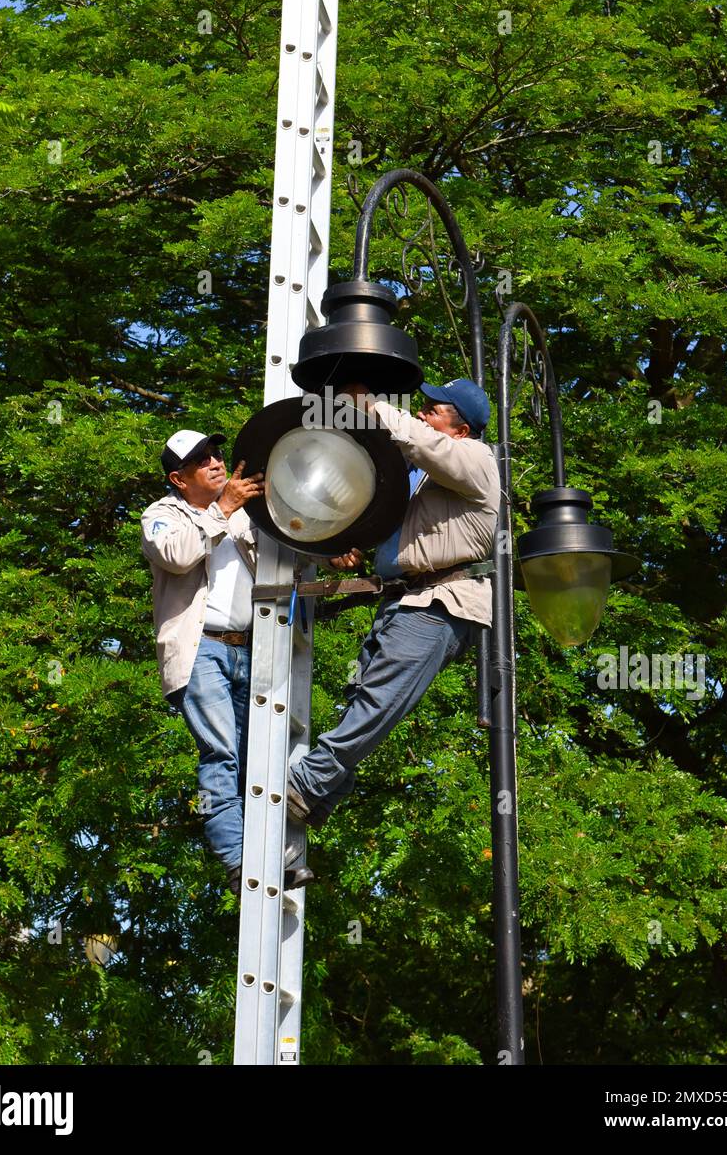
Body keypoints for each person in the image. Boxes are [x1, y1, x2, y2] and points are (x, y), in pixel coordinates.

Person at [287, 378, 501, 828]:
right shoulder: (424, 483)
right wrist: (341, 548)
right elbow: (380, 532)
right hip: (405, 601)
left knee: (379, 700)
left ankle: (309, 781)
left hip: (441, 602)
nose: (422, 414)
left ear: (461, 430)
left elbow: (418, 440)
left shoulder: (477, 460)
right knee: (362, 696)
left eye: (432, 409)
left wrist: (370, 405)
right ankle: (320, 799)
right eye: (420, 407)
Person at [141, 428, 312, 896]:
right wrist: (223, 510)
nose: (217, 464)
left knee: (256, 760)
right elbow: (177, 556)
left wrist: (327, 555)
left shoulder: (241, 517)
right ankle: (240, 863)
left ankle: (265, 859)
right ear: (179, 479)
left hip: (251, 649)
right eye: (203, 461)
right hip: (202, 651)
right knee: (220, 754)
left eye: (217, 455)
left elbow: (284, 559)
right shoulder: (162, 516)